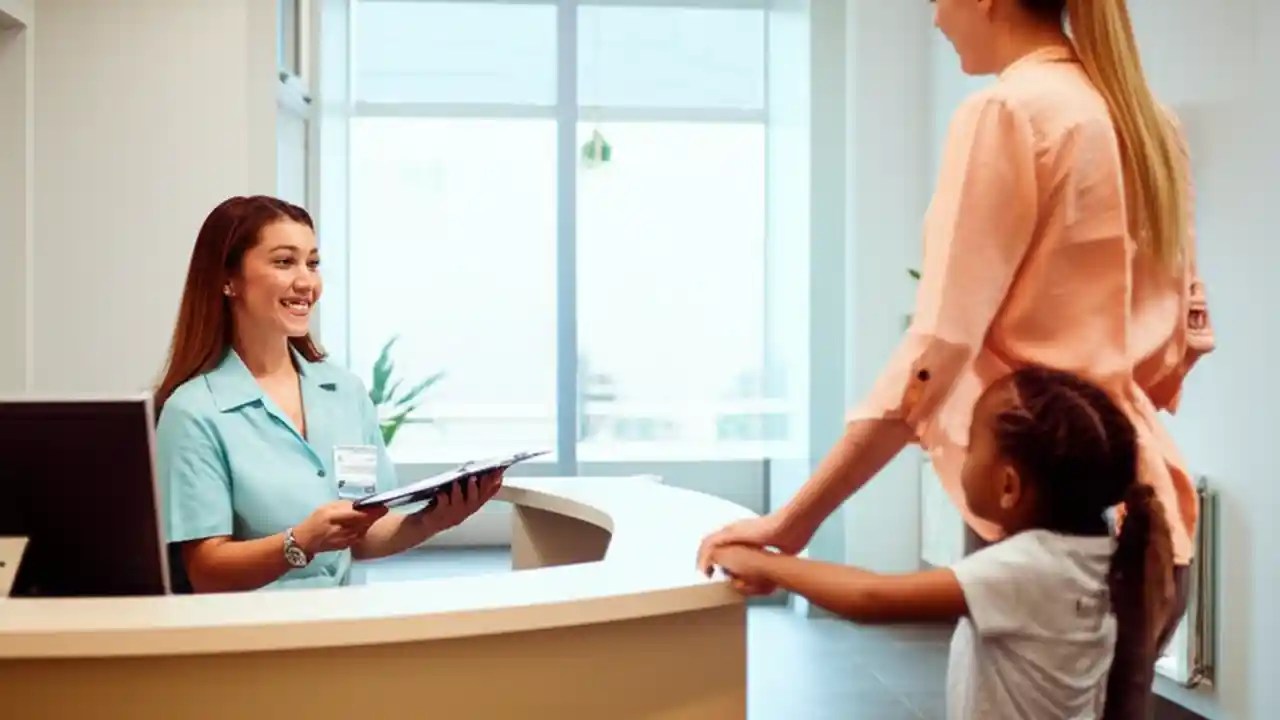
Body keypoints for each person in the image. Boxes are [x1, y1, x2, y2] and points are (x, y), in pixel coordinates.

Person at [699, 0, 1213, 702]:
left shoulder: (1007, 112)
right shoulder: (1151, 123)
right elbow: (1175, 346)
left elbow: (935, 353)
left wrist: (792, 525)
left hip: (1034, 516)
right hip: (1148, 531)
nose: (936, 17)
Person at [709, 366, 1173, 720]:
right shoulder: (1100, 551)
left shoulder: (1027, 567)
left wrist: (766, 563)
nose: (962, 455)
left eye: (971, 445)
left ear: (1009, 487)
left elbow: (869, 597)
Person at [153, 195, 502, 593]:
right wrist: (299, 542)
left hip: (338, 631)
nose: (307, 282)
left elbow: (364, 534)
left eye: (312, 263)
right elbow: (206, 570)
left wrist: (433, 519)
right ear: (227, 280)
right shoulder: (193, 412)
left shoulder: (344, 393)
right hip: (250, 643)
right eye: (284, 262)